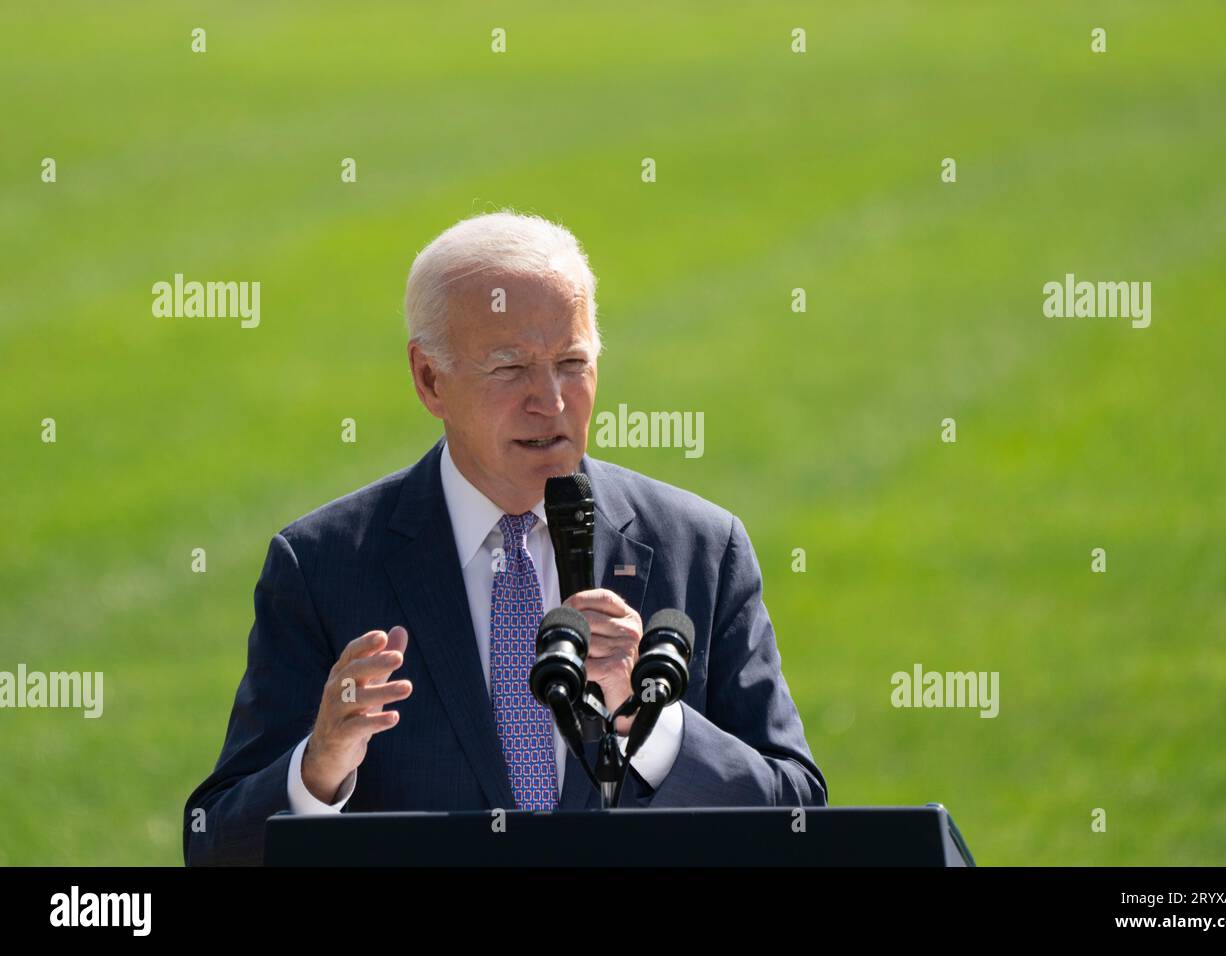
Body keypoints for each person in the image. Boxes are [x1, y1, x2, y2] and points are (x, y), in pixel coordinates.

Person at [183, 210, 827, 866]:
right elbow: (212, 848)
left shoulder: (702, 549)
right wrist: (316, 771)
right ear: (429, 379)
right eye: (510, 368)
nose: (549, 401)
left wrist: (652, 726)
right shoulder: (323, 567)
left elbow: (802, 824)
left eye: (571, 363)